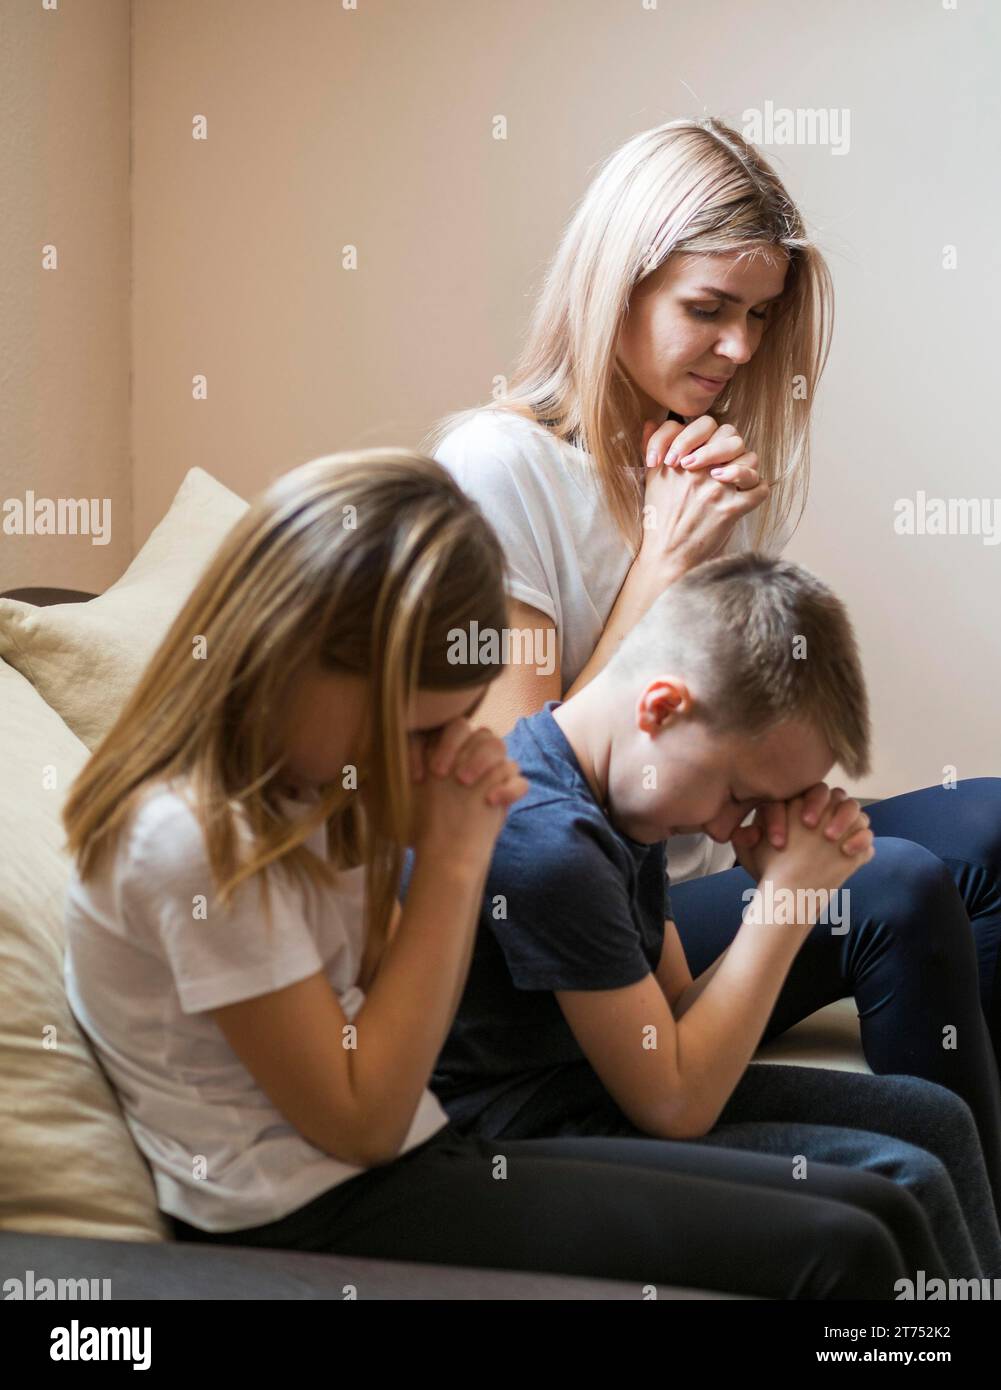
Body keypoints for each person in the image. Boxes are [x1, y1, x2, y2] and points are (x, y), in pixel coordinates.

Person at [59, 451, 956, 1299]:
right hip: (308, 1212)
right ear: (300, 660)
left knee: (879, 1205)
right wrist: (453, 858)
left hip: (405, 1158)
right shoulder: (190, 842)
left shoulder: (307, 800)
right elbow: (365, 1118)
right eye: (422, 731)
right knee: (845, 1243)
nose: (450, 752)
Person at [421, 115, 1001, 1076]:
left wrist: (787, 818)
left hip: (698, 862)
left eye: (761, 314)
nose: (738, 346)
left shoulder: (698, 458)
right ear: (619, 286)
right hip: (584, 912)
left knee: (987, 822)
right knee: (892, 884)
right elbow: (521, 787)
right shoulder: (496, 467)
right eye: (708, 308)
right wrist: (665, 557)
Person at [424, 552, 1001, 1281]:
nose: (732, 829)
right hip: (513, 1133)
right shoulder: (548, 840)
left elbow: (674, 1014)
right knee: (900, 1175)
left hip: (591, 1091)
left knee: (933, 1117)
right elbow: (675, 1103)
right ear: (661, 708)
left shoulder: (614, 802)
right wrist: (783, 905)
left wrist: (778, 897)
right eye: (738, 793)